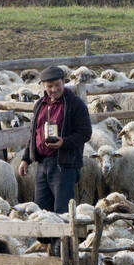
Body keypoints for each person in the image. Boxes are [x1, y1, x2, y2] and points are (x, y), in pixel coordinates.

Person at [19, 65, 93, 214]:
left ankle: (63, 238)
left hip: (64, 164)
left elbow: (85, 133)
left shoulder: (75, 104)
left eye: (57, 85)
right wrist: (26, 159)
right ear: (44, 86)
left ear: (63, 82)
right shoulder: (40, 105)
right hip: (43, 164)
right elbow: (34, 133)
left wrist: (64, 142)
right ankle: (45, 239)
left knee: (62, 211)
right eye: (49, 86)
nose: (54, 89)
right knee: (41, 211)